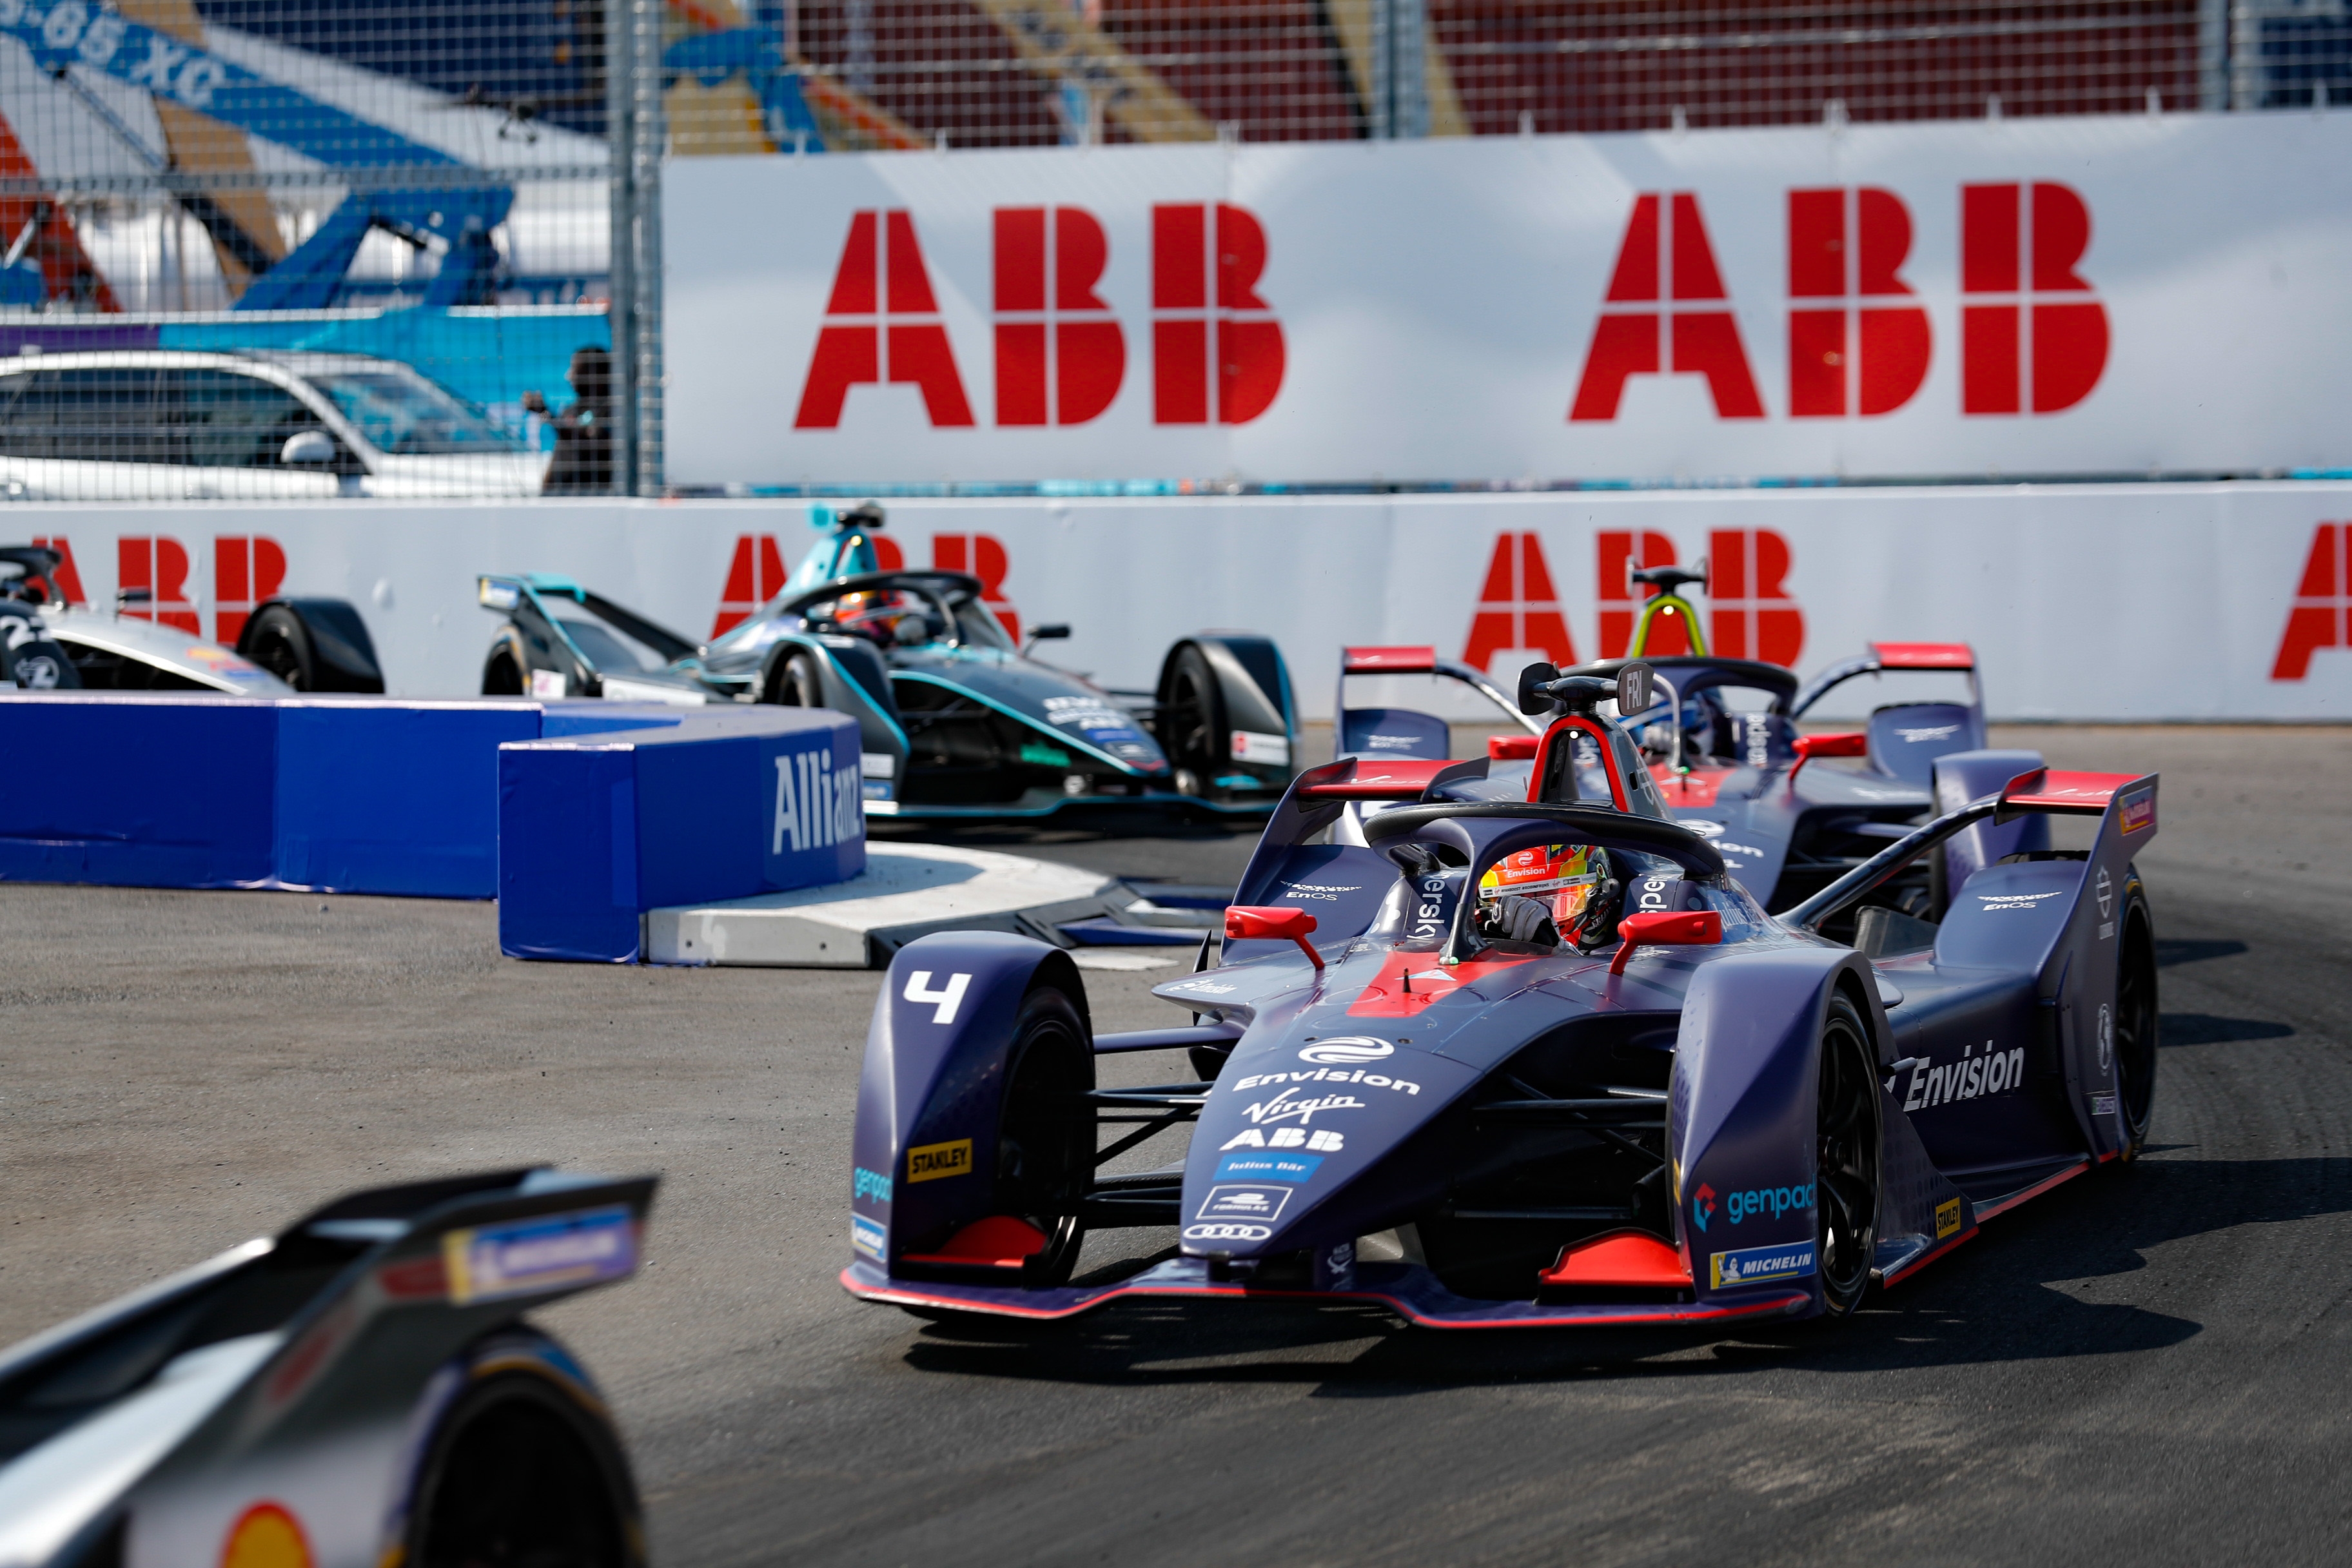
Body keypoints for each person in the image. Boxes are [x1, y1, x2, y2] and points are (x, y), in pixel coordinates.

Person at [522, 346, 614, 495]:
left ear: (594, 374)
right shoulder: (570, 410)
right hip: (557, 499)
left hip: (590, 499)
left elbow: (589, 439)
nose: (569, 376)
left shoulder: (612, 411)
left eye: (576, 370)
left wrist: (548, 416)